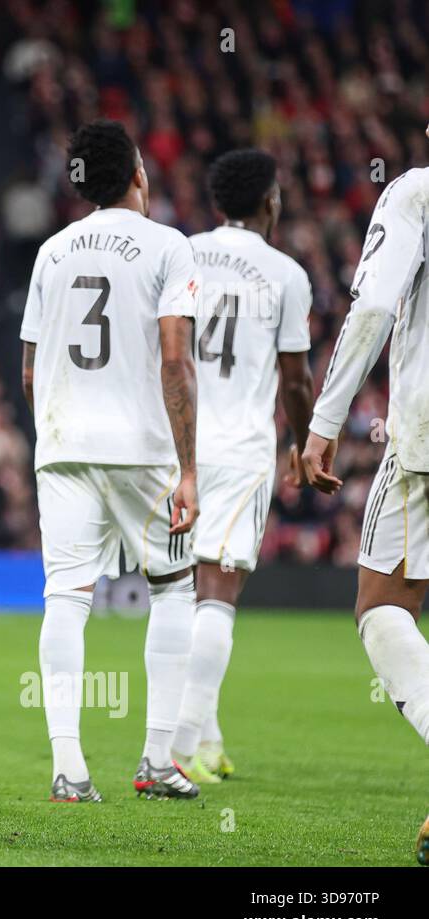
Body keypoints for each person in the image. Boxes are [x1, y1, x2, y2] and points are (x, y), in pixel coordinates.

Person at [21, 119, 200, 802]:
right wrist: (188, 468)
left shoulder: (51, 252)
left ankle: (68, 769)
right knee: (174, 586)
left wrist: (55, 440)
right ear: (138, 177)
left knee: (64, 599)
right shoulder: (169, 246)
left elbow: (32, 373)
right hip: (142, 446)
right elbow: (176, 360)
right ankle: (156, 761)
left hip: (63, 445)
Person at [300, 140, 429, 865]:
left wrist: (324, 422)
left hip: (423, 436)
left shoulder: (415, 191)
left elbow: (376, 301)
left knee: (383, 608)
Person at [170, 149, 315, 784]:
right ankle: (172, 752)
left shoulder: (182, 251)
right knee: (220, 595)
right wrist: (307, 443)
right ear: (269, 203)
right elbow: (296, 379)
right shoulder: (286, 273)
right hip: (242, 449)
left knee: (183, 595)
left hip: (176, 446)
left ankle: (206, 741)